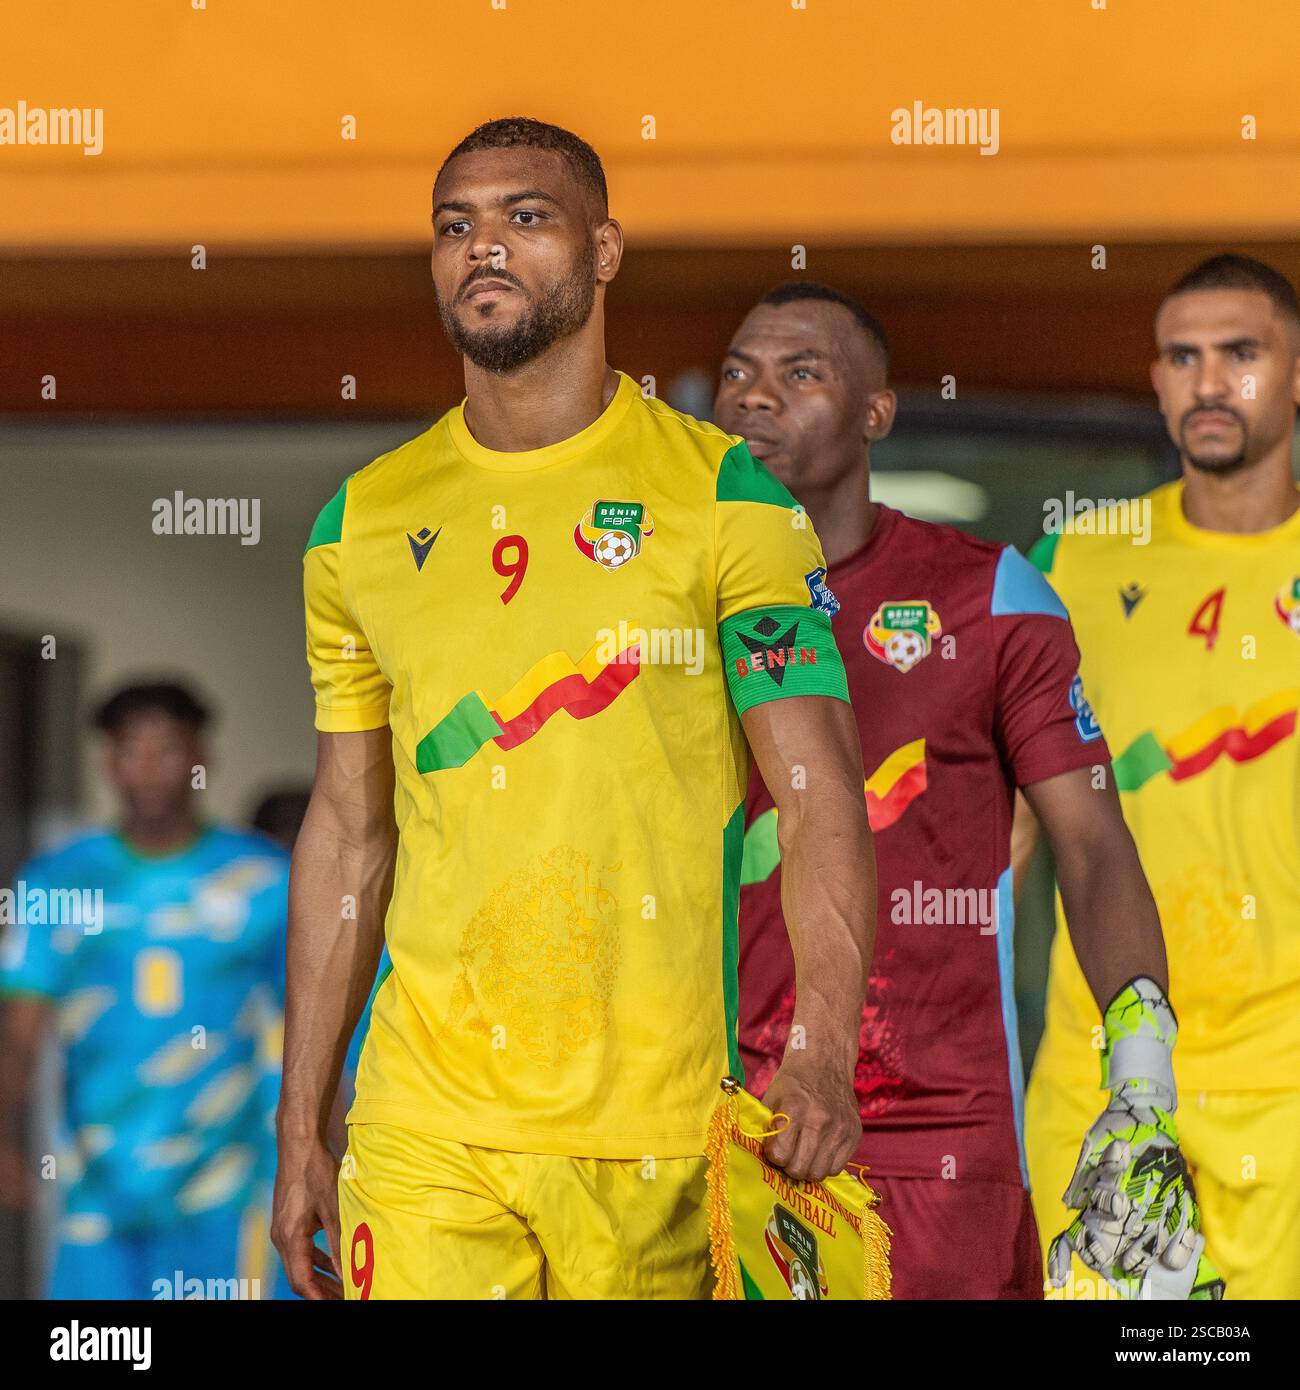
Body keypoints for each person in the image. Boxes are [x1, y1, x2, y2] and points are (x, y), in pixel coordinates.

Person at [271, 118, 876, 1302]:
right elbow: (349, 829)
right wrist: (303, 1118)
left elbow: (816, 800)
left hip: (651, 1131)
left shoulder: (726, 497)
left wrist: (820, 1050)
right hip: (423, 1126)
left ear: (603, 252)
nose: (481, 248)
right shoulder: (360, 524)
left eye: (523, 218)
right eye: (455, 227)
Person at [717, 281, 1218, 1299]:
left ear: (875, 413)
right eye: (736, 375)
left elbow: (1089, 842)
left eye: (799, 373)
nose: (754, 400)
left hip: (936, 1133)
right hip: (718, 1114)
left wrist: (1142, 1077)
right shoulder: (671, 603)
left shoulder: (989, 597)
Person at [1021, 253, 1300, 1300]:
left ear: (1296, 373)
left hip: (1285, 1087)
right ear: (1155, 381)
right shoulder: (1073, 563)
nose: (1207, 381)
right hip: (1100, 1081)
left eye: (1240, 354)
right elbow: (1003, 834)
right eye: (1182, 357)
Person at [0, 681, 289, 1299]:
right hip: (96, 1198)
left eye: (168, 749)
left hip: (228, 1196)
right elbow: (18, 1032)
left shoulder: (265, 879)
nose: (149, 768)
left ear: (202, 758)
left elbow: (321, 1029)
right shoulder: (59, 879)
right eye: (130, 749)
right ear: (108, 762)